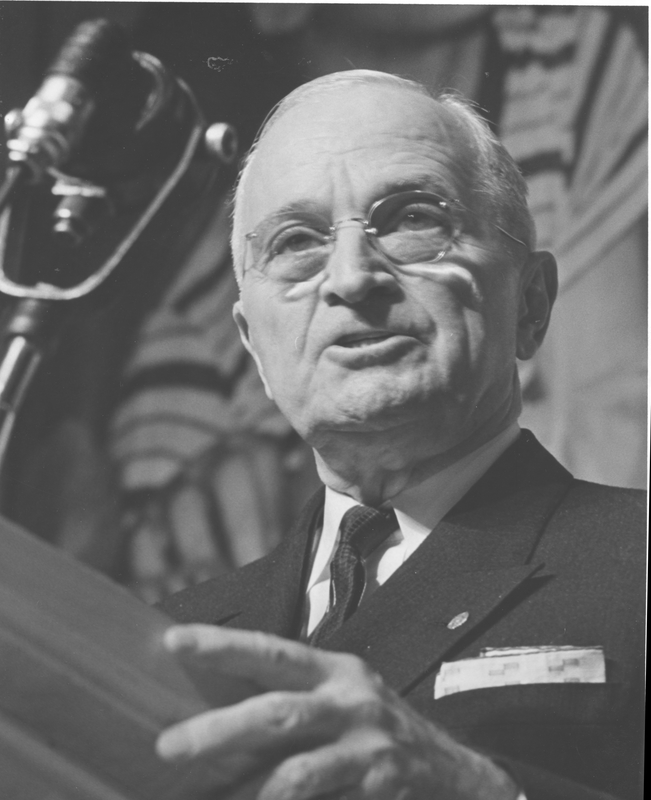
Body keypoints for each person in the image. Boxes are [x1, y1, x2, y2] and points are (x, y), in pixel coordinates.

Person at [149, 72, 645, 800]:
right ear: (253, 346)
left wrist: (477, 792)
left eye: (412, 218)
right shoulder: (173, 640)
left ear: (530, 304)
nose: (352, 278)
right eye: (296, 242)